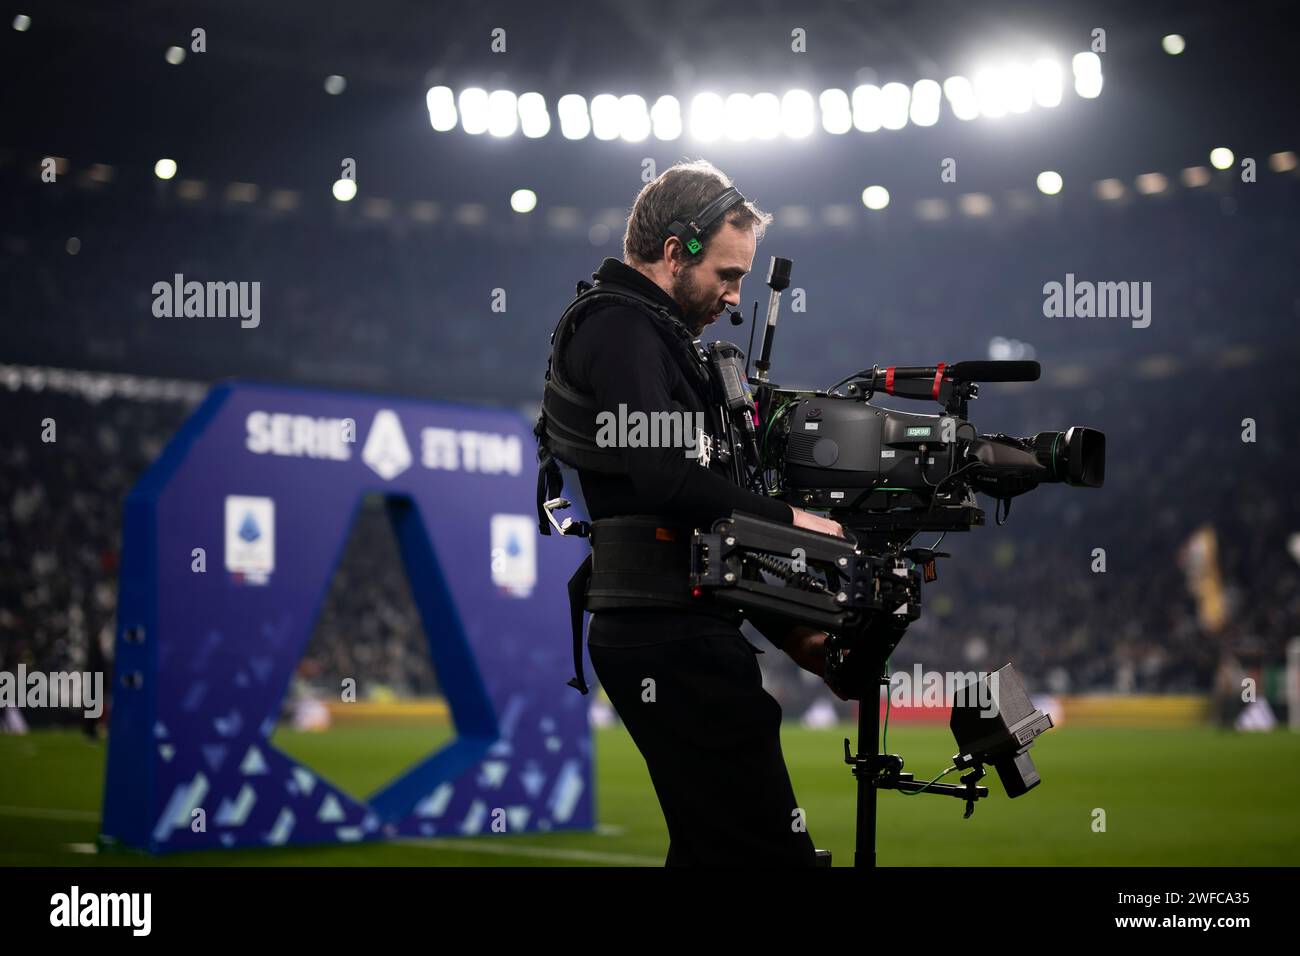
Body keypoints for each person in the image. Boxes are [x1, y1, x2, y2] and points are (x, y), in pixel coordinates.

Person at [535, 159, 844, 866]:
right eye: (728, 276)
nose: (735, 299)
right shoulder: (619, 327)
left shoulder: (646, 332)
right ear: (675, 252)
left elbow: (702, 515)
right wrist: (793, 522)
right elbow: (664, 475)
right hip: (664, 633)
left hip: (673, 628)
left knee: (721, 850)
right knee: (761, 853)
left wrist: (798, 634)